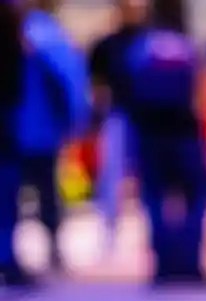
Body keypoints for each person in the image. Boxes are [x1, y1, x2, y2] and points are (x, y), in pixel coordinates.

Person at [119, 0, 206, 286]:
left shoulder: (141, 49)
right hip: (185, 133)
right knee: (196, 197)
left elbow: (127, 92)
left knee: (155, 199)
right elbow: (201, 92)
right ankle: (190, 263)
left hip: (151, 135)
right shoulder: (187, 47)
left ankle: (163, 265)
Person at [18, 0, 88, 273]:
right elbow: (69, 82)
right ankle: (52, 246)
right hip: (40, 129)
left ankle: (10, 255)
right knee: (46, 190)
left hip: (20, 126)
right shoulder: (48, 34)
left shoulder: (31, 32)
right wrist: (74, 120)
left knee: (18, 191)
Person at [87, 0, 145, 260]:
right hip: (118, 115)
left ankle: (150, 238)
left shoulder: (151, 39)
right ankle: (109, 234)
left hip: (148, 117)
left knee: (148, 177)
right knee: (111, 177)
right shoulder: (107, 45)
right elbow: (96, 85)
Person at [0, 0, 27, 286]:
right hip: (7, 115)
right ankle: (6, 256)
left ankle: (6, 255)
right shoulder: (13, 26)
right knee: (7, 188)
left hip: (8, 114)